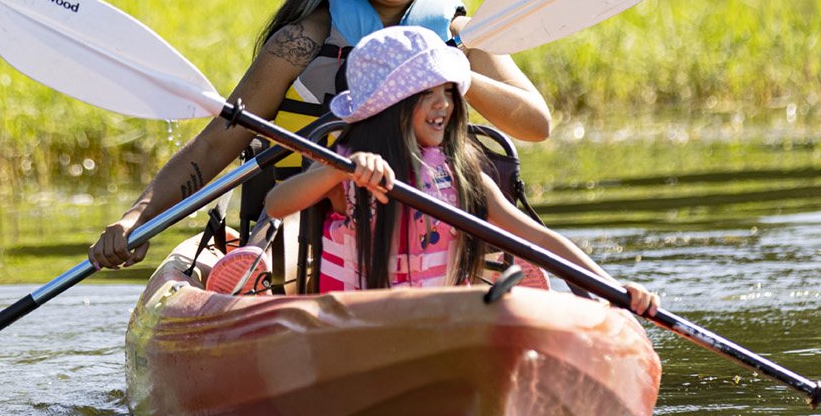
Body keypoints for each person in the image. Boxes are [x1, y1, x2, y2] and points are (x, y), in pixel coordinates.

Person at [89, 0, 552, 269]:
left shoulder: (462, 38)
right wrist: (137, 219)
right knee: (298, 230)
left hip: (428, 232)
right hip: (312, 235)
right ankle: (256, 272)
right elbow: (215, 144)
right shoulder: (301, 43)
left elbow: (536, 124)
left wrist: (453, 70)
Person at [262, 25, 655, 312]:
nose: (443, 105)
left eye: (448, 92)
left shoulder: (461, 171)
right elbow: (278, 204)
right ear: (386, 107)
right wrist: (340, 172)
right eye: (426, 94)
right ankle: (253, 267)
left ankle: (510, 292)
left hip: (443, 321)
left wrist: (611, 287)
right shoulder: (348, 169)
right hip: (357, 322)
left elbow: (538, 238)